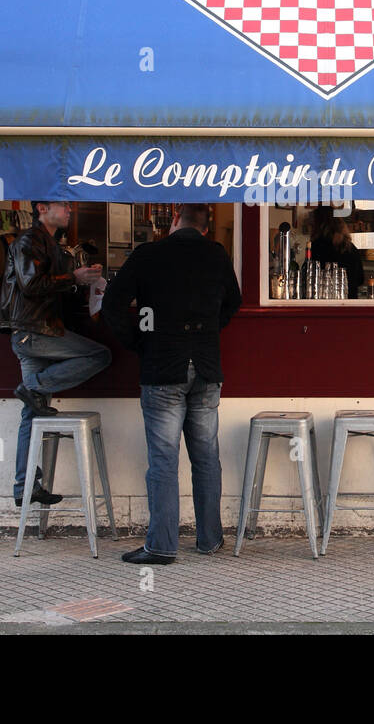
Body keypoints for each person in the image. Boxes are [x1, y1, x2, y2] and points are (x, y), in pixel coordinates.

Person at [101, 203, 242, 564]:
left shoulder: (149, 254)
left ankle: (162, 546)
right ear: (207, 228)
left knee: (163, 461)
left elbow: (112, 303)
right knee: (206, 457)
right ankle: (210, 540)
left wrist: (136, 342)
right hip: (207, 367)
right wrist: (208, 330)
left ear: (174, 220)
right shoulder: (216, 255)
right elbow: (234, 302)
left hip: (162, 365)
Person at [0, 200, 110, 508]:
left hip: (36, 330)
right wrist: (74, 278)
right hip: (34, 331)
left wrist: (83, 277)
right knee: (99, 356)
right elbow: (31, 283)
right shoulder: (28, 240)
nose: (71, 210)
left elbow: (50, 286)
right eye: (64, 205)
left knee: (32, 414)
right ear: (43, 208)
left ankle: (24, 487)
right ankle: (32, 388)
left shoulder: (49, 244)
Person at [310, 216, 364, 298]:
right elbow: (360, 279)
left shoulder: (318, 246)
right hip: (350, 299)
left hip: (324, 299)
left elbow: (311, 276)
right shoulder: (351, 248)